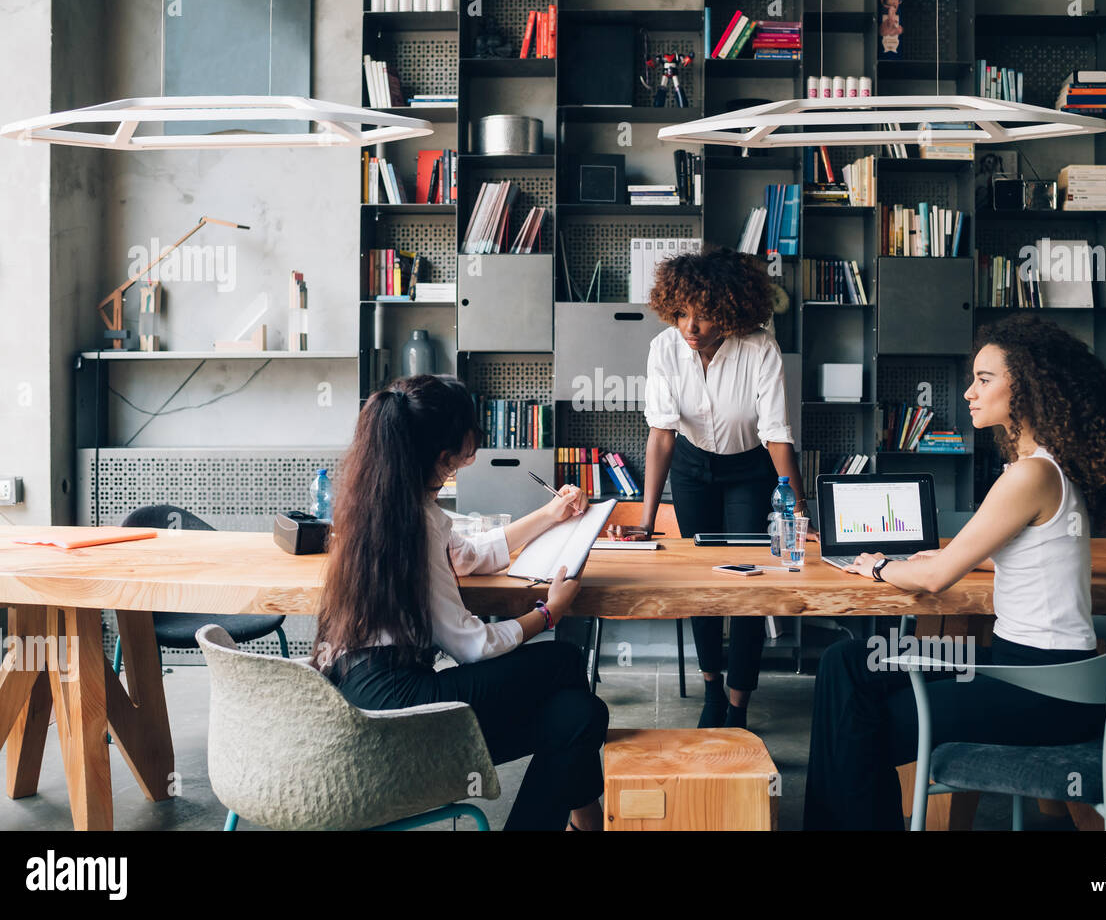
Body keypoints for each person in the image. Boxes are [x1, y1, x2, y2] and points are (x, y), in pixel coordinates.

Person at [803, 315, 1106, 830]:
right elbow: (1028, 550)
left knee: (860, 720)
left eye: (984, 379)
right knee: (849, 661)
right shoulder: (1048, 467)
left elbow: (934, 582)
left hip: (1044, 689)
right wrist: (950, 558)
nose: (969, 392)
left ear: (1030, 387)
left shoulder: (1031, 474)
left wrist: (879, 566)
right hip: (1030, 668)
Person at [311, 374, 608, 832]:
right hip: (397, 711)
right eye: (464, 451)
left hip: (358, 694)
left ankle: (584, 825)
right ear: (442, 455)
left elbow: (466, 557)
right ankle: (586, 823)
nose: (469, 458)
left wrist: (552, 514)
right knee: (564, 662)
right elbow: (474, 647)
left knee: (579, 714)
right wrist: (549, 613)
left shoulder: (377, 504)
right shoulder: (418, 522)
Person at [618, 247, 810, 729]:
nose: (690, 327)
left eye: (703, 316)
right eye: (682, 313)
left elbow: (777, 437)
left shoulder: (760, 348)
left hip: (750, 469)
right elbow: (661, 436)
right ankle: (710, 690)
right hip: (691, 467)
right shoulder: (664, 348)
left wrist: (796, 515)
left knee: (746, 586)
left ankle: (739, 701)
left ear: (730, 311)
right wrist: (645, 520)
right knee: (701, 586)